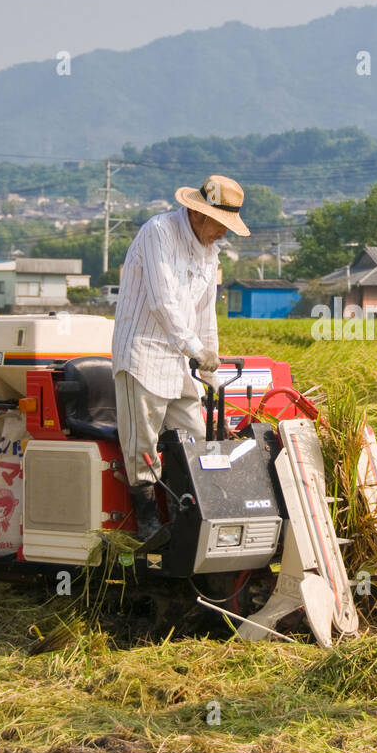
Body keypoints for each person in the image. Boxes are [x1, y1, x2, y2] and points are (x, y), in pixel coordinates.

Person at [112, 174, 250, 550]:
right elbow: (162, 302)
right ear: (198, 213)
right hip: (144, 352)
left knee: (197, 440)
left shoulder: (210, 251)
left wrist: (211, 368)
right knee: (142, 442)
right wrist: (193, 348)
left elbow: (205, 314)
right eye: (220, 225)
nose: (222, 233)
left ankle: (189, 522)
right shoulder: (159, 232)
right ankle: (148, 522)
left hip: (181, 360)